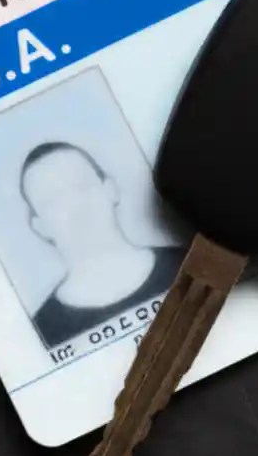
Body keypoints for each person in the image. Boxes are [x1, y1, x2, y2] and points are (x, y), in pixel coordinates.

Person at [20, 142, 184, 348]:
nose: (75, 207)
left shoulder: (190, 266)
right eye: (53, 200)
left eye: (80, 186)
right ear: (40, 226)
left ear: (111, 189)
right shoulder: (43, 335)